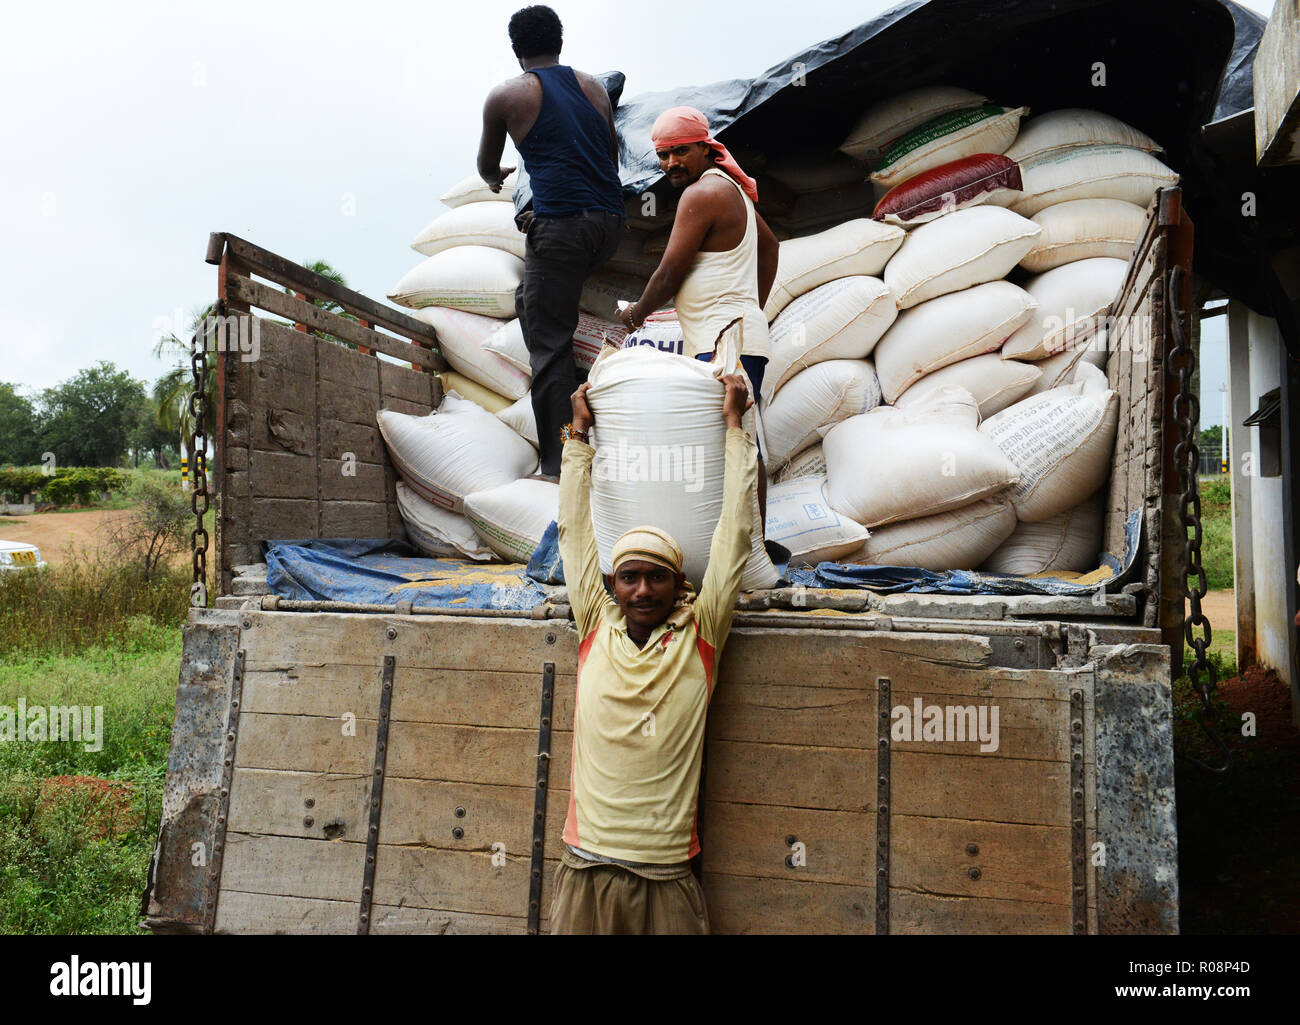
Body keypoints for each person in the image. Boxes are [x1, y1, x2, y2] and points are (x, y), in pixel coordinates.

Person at [549, 373, 757, 934]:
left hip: (666, 876)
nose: (643, 591)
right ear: (613, 586)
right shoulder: (596, 624)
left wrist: (733, 428)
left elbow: (735, 535)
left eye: (657, 579)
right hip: (584, 866)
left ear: (679, 584)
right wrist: (577, 436)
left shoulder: (702, 633)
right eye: (631, 579)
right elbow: (573, 531)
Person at [476, 4, 624, 480]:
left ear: (516, 50)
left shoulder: (506, 97)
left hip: (561, 229)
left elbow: (486, 167)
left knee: (549, 346)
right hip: (610, 224)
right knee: (530, 301)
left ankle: (561, 462)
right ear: (559, 42)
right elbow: (609, 150)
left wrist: (499, 177)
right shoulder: (595, 87)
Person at [618, 105, 778, 513]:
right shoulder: (731, 189)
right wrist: (751, 309)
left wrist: (636, 316)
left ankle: (743, 551)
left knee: (728, 444)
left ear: (706, 148)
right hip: (736, 336)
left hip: (722, 342)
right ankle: (751, 548)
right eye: (663, 154)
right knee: (740, 441)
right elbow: (770, 247)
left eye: (681, 151)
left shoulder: (702, 193)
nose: (671, 163)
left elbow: (670, 272)